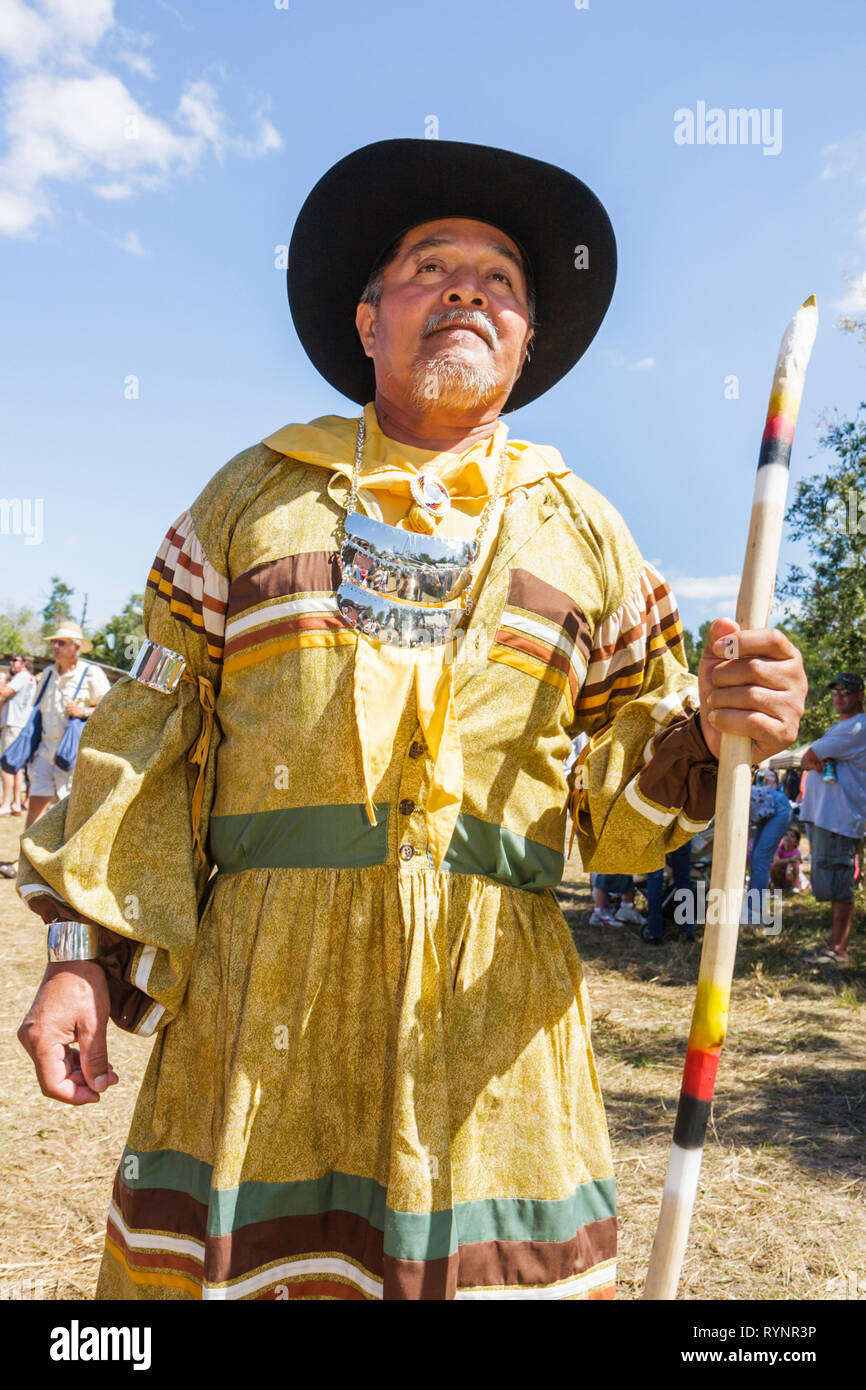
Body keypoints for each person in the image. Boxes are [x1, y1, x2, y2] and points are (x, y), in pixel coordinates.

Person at [14, 139, 806, 1302]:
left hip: (495, 1019)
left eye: (501, 281)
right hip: (260, 1005)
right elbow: (146, 744)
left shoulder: (590, 537)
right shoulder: (247, 500)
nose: (468, 290)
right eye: (431, 265)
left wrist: (714, 731)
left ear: (525, 342)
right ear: (367, 316)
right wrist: (80, 958)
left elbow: (621, 817)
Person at [0, 624, 109, 878]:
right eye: (54, 642)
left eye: (61, 643)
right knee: (36, 806)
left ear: (76, 648)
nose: (55, 647)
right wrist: (32, 748)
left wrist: (84, 712)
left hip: (74, 757)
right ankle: (24, 863)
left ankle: (69, 867)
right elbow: (37, 712)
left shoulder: (92, 674)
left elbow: (109, 710)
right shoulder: (47, 673)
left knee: (72, 811)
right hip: (45, 753)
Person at [800, 672, 866, 964]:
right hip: (831, 817)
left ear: (860, 695)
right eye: (835, 691)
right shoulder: (842, 727)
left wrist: (815, 761)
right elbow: (811, 758)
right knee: (833, 880)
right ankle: (832, 945)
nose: (839, 696)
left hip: (840, 817)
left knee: (839, 882)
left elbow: (808, 756)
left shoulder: (855, 728)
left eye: (846, 692)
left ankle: (838, 950)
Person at [747, 768, 792, 908]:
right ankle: (752, 907)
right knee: (756, 860)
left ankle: (753, 911)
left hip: (780, 810)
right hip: (766, 811)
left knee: (760, 860)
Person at [0, 654, 36, 816]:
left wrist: (1, 681)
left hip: (13, 724)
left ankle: (7, 804)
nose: (11, 663)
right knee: (17, 767)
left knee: (6, 764)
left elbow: (5, 692)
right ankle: (15, 803)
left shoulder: (21, 676)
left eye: (15, 660)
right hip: (21, 725)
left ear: (24, 664)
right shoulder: (30, 678)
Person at [642, 840, 694, 943]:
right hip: (682, 830)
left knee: (654, 878)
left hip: (656, 830)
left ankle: (654, 932)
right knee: (683, 879)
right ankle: (688, 932)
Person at [770, 827, 805, 892]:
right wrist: (790, 859)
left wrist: (788, 870)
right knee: (773, 866)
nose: (788, 837)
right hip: (780, 875)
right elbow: (776, 862)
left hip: (791, 877)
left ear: (796, 842)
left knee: (794, 866)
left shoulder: (796, 852)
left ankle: (793, 886)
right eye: (786, 834)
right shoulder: (779, 849)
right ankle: (776, 885)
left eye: (792, 836)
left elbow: (792, 863)